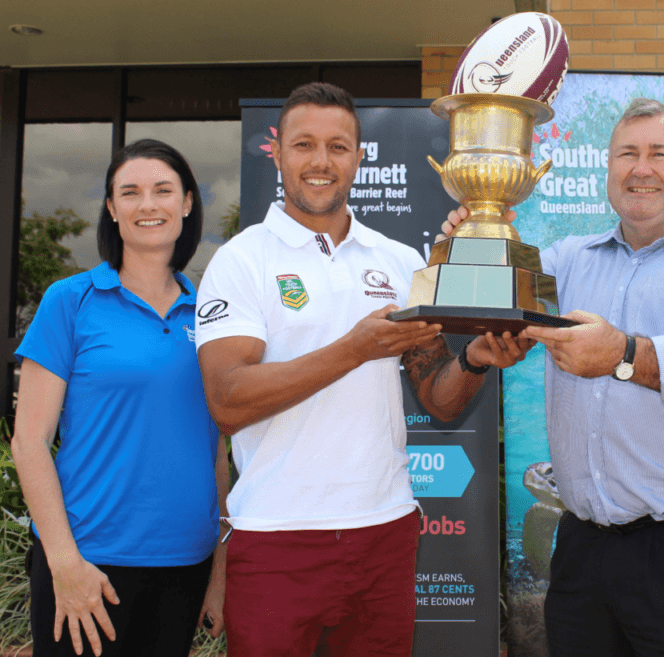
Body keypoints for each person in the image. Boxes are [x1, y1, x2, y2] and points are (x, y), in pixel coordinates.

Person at [194, 82, 528, 657]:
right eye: (304, 145)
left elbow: (439, 398)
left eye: (338, 147)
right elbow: (227, 400)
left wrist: (473, 360)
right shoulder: (242, 260)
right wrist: (354, 348)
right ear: (277, 153)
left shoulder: (398, 261)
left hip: (384, 532)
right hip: (277, 538)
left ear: (359, 157)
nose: (320, 162)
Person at [444, 98, 664, 656]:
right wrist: (475, 239)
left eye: (659, 154)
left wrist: (623, 354)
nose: (640, 169)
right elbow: (492, 298)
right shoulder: (568, 260)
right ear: (608, 170)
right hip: (583, 551)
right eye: (627, 154)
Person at [12, 139, 229, 657]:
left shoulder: (213, 313)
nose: (147, 204)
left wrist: (220, 572)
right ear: (111, 208)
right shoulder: (70, 300)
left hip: (185, 565)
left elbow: (216, 450)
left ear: (188, 202)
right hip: (87, 563)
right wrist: (64, 561)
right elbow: (29, 441)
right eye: (130, 192)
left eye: (163, 190)